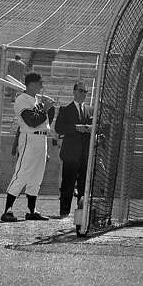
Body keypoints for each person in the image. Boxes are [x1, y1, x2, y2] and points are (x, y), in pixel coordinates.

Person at [1, 72, 55, 222]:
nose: (42, 86)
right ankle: (7, 210)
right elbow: (32, 121)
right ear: (31, 84)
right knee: (22, 173)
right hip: (29, 138)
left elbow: (46, 121)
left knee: (37, 176)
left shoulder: (36, 99)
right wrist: (44, 108)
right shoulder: (21, 99)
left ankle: (31, 211)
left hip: (42, 139)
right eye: (40, 83)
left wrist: (50, 108)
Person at [53, 81, 93, 219]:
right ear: (74, 92)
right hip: (70, 154)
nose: (83, 94)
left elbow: (97, 126)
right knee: (68, 185)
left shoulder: (90, 109)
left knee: (83, 185)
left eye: (85, 92)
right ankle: (64, 211)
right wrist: (75, 127)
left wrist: (90, 129)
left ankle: (81, 212)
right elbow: (58, 128)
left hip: (85, 154)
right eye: (81, 91)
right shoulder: (65, 109)